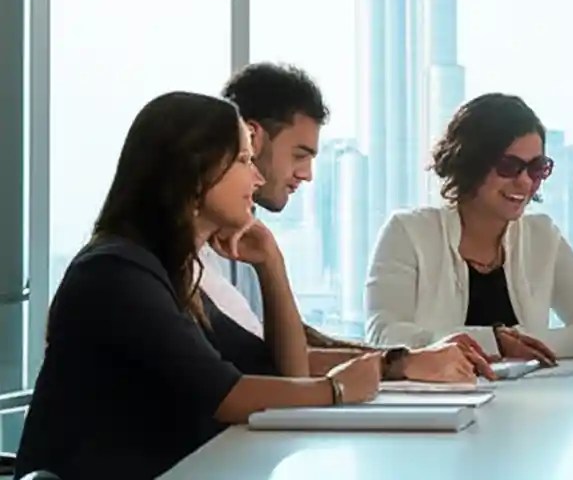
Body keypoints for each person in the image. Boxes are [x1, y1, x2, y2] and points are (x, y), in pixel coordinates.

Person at [16, 92, 382, 479]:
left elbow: (283, 373)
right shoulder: (115, 273)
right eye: (243, 160)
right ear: (195, 173)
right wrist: (336, 390)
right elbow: (227, 397)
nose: (256, 177)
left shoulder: (175, 274)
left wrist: (271, 264)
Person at [212, 62, 493, 381]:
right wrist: (400, 364)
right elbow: (269, 362)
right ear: (253, 137)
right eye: (300, 155)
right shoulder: (203, 251)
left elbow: (291, 339)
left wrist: (415, 355)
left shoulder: (248, 237)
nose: (306, 174)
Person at [365, 93, 573, 361]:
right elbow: (383, 335)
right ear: (471, 162)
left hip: (533, 401)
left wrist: (526, 344)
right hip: (439, 400)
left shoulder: (542, 236)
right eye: (509, 166)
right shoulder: (408, 233)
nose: (525, 182)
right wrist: (494, 342)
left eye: (536, 168)